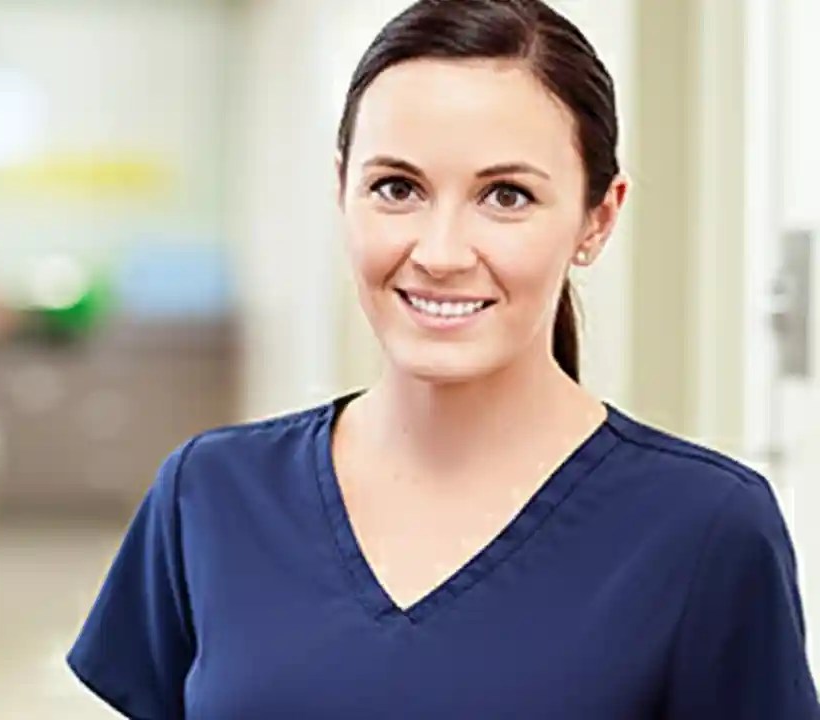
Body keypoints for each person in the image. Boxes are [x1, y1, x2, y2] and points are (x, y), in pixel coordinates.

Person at [67, 0, 820, 717]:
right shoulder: (212, 495)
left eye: (507, 196)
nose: (440, 252)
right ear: (341, 191)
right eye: (397, 188)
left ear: (599, 217)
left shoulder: (704, 530)